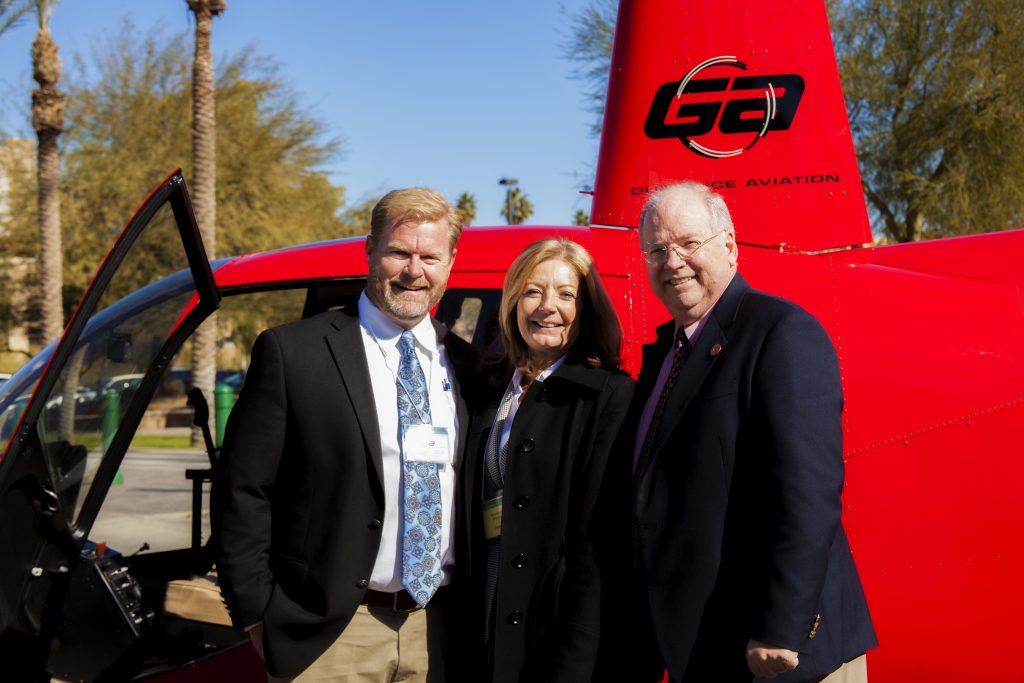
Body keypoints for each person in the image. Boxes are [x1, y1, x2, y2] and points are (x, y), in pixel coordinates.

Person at [212, 187, 477, 681]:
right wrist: (256, 615)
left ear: (450, 263)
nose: (413, 271)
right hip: (331, 636)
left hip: (439, 632)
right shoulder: (294, 353)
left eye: (429, 257)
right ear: (370, 250)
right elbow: (242, 490)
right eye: (399, 252)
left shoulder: (469, 367)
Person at [630, 181, 877, 682]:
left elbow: (807, 493)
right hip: (709, 644)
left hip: (777, 654)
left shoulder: (780, 331)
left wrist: (782, 628)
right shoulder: (665, 355)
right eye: (656, 250)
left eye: (688, 243)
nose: (672, 262)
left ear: (729, 246)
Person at [458, 238, 634, 683]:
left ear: (586, 308)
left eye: (566, 294)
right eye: (533, 291)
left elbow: (599, 546)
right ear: (513, 302)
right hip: (482, 608)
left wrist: (573, 661)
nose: (547, 307)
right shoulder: (489, 389)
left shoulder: (608, 395)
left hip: (551, 629)